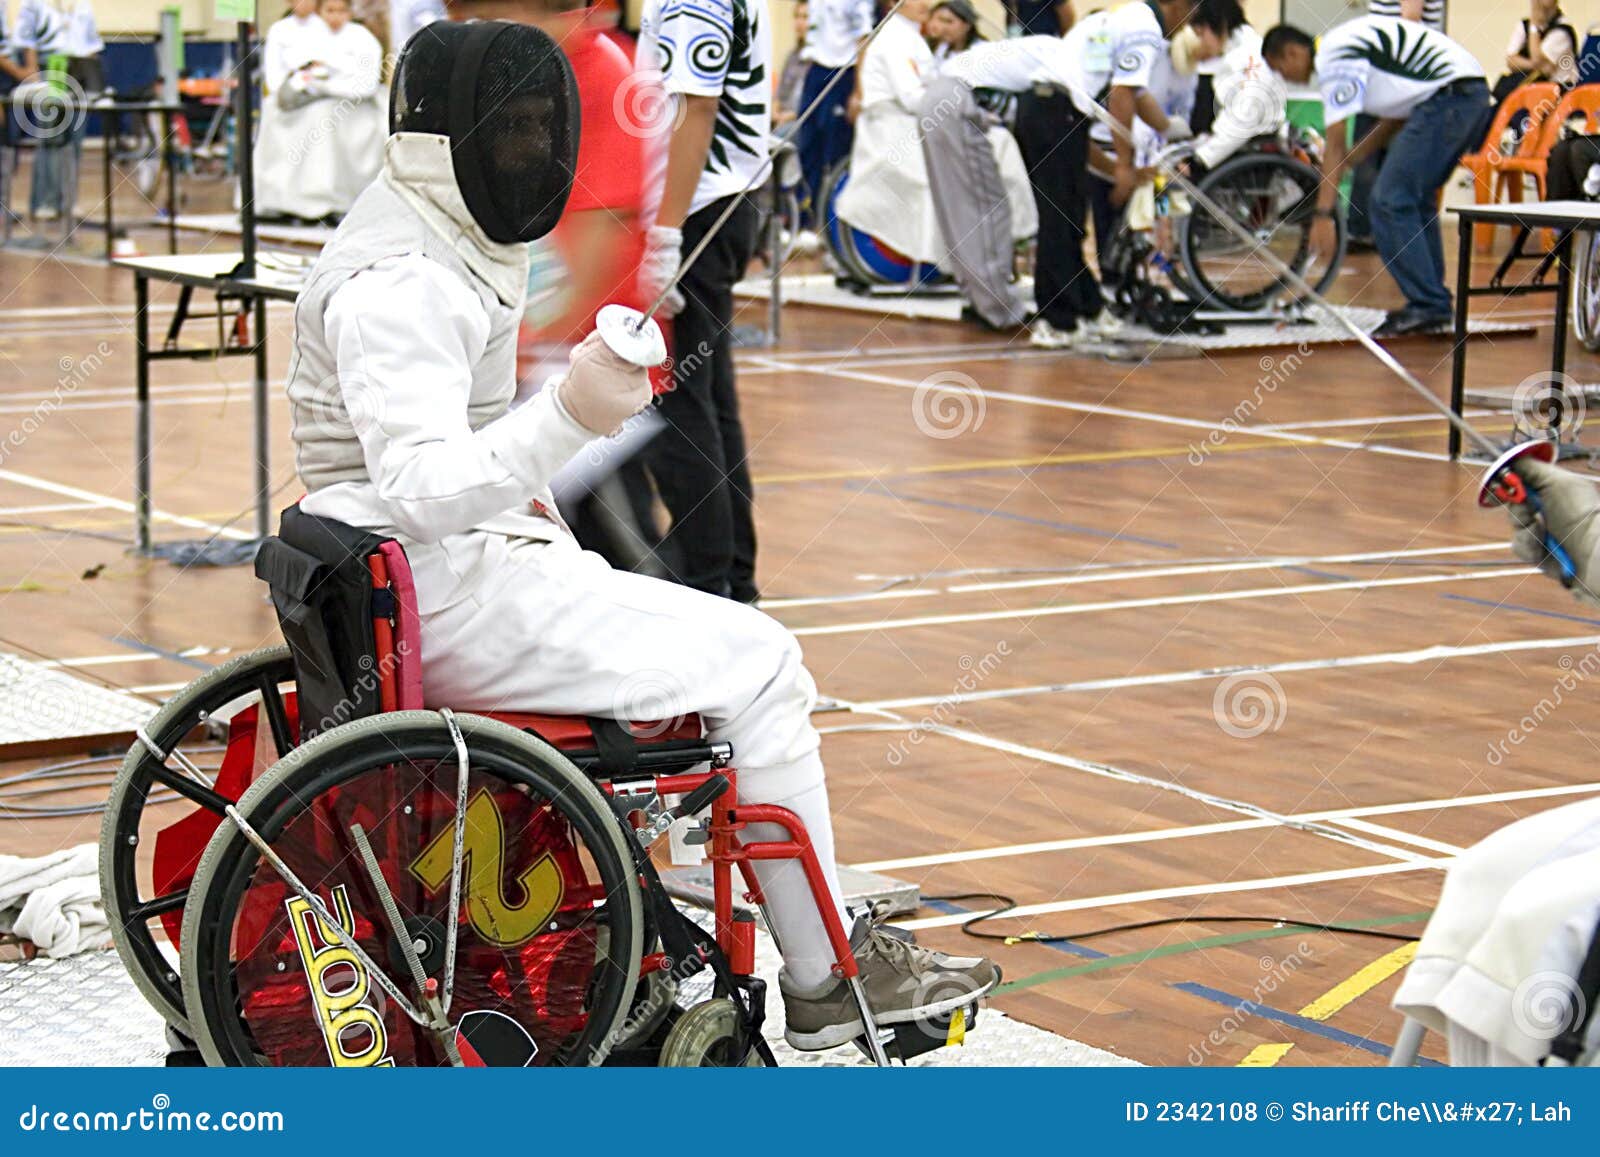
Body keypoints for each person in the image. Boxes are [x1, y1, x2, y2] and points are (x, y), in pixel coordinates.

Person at [286, 18, 999, 1051]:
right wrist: (571, 412)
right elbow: (423, 485)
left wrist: (545, 467)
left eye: (544, 126)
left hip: (443, 572)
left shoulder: (424, 230)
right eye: (515, 128)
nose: (535, 151)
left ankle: (801, 934)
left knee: (716, 642)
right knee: (761, 661)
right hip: (444, 589)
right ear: (455, 137)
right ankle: (821, 972)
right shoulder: (403, 283)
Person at [921, 0, 1197, 343]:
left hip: (1035, 110)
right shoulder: (1143, 29)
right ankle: (1055, 317)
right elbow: (1123, 96)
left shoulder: (1093, 43)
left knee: (1067, 216)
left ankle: (1086, 305)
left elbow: (1112, 114)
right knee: (1050, 217)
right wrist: (1125, 167)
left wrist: (1162, 137)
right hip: (970, 100)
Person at [637, 0, 769, 603]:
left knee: (675, 401)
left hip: (697, 208)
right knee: (709, 398)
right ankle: (731, 573)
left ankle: (705, 579)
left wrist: (664, 234)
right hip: (716, 202)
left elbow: (696, 106)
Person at [1274, 16, 1488, 338]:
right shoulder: (1348, 49)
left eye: (1278, 68)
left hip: (1450, 98)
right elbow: (1393, 117)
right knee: (1414, 200)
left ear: (1291, 52)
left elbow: (1334, 142)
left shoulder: (1332, 56)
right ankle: (1432, 303)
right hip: (1467, 94)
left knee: (1389, 200)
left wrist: (1323, 214)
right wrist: (1353, 159)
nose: (1284, 77)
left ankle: (1429, 305)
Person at [836, 0, 1034, 269]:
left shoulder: (914, 37)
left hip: (919, 121)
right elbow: (912, 99)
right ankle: (946, 259)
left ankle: (1012, 233)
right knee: (941, 172)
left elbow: (931, 91)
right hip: (891, 128)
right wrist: (963, 111)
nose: (925, 4)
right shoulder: (893, 38)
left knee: (1000, 142)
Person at [254, 0, 385, 224]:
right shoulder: (308, 35)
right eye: (329, 11)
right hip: (311, 100)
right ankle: (283, 200)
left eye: (341, 11)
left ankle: (330, 200)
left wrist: (329, 87)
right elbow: (295, 73)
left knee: (324, 117)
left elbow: (366, 83)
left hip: (353, 105)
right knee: (281, 114)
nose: (335, 17)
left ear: (349, 12)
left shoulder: (362, 37)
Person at [14, 0, 101, 221]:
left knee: (75, 140)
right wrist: (33, 77)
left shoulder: (82, 5)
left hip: (79, 70)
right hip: (51, 67)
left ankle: (69, 201)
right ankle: (45, 201)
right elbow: (27, 41)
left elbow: (92, 45)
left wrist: (92, 79)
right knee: (51, 137)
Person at [795, 0, 873, 226]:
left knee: (835, 151)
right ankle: (806, 221)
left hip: (842, 72)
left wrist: (858, 90)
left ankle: (834, 226)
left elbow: (863, 39)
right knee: (808, 147)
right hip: (817, 70)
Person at [1498, 0, 1579, 98]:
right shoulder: (1524, 25)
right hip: (1530, 87)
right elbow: (1511, 61)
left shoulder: (1563, 30)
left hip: (1559, 91)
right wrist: (1534, 66)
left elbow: (1538, 61)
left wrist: (1534, 28)